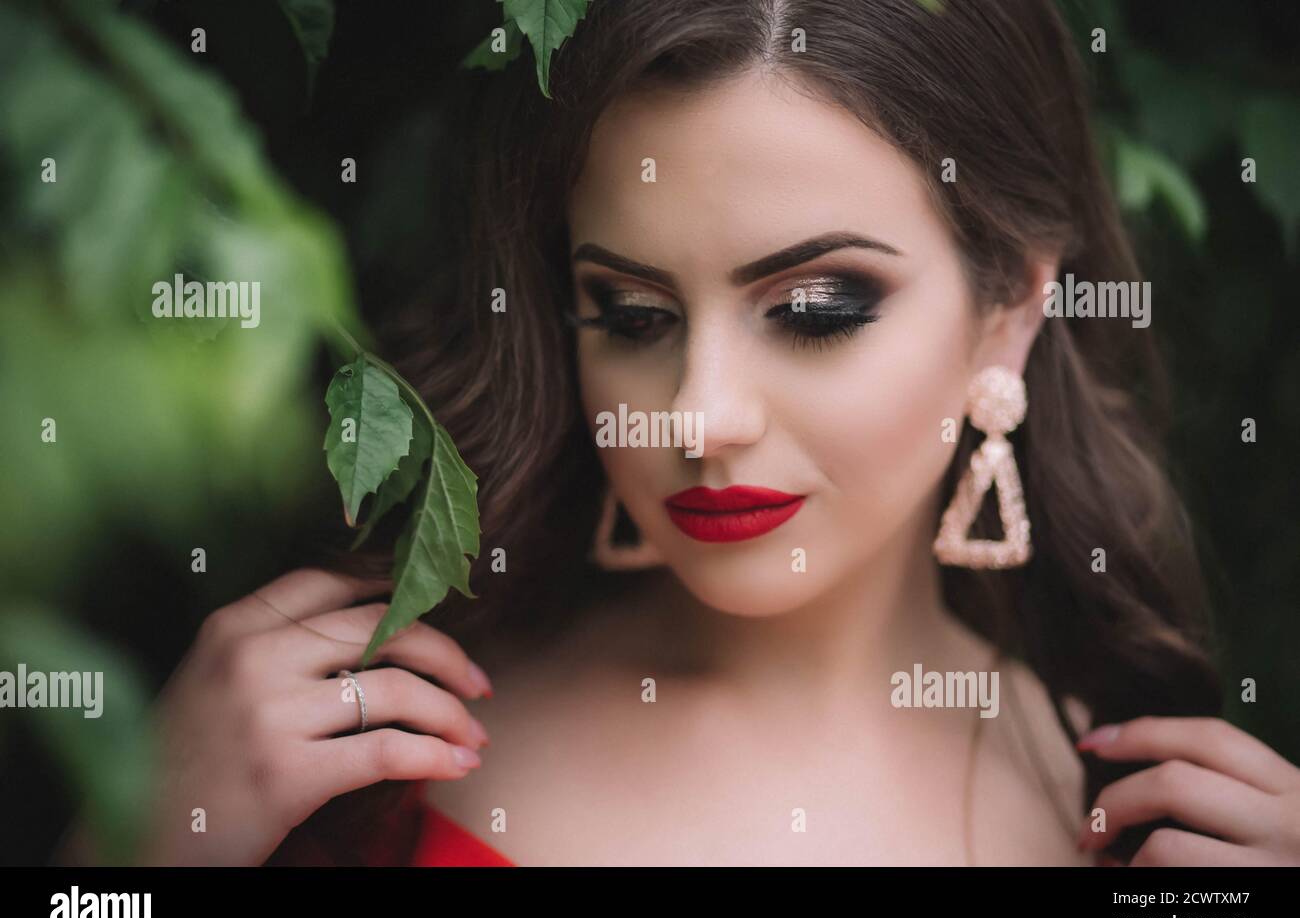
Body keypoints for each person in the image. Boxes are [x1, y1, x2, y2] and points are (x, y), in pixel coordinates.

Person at [57, 0, 1300, 866]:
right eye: (630, 311)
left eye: (813, 311)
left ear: (1009, 314)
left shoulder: (1147, 833)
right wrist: (128, 858)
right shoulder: (358, 742)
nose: (696, 416)